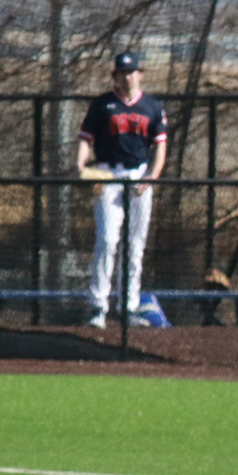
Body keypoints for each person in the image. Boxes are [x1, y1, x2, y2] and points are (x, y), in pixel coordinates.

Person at [76, 52, 167, 328]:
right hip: (108, 174)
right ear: (114, 75)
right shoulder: (102, 105)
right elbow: (85, 138)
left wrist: (152, 177)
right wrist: (80, 165)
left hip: (139, 175)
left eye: (132, 71)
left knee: (135, 244)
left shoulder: (152, 105)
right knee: (107, 240)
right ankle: (98, 306)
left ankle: (128, 306)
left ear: (140, 74)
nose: (127, 77)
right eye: (122, 72)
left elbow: (160, 146)